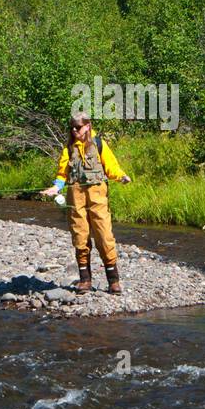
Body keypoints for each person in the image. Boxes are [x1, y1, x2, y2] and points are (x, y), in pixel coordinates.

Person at [41, 111, 132, 294]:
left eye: (78, 127)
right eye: (72, 128)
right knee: (80, 237)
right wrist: (56, 187)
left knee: (104, 236)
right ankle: (85, 280)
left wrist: (120, 176)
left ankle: (113, 281)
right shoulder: (68, 148)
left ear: (88, 126)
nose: (75, 130)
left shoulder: (99, 144)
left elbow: (111, 165)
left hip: (98, 195)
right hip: (76, 196)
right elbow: (62, 174)